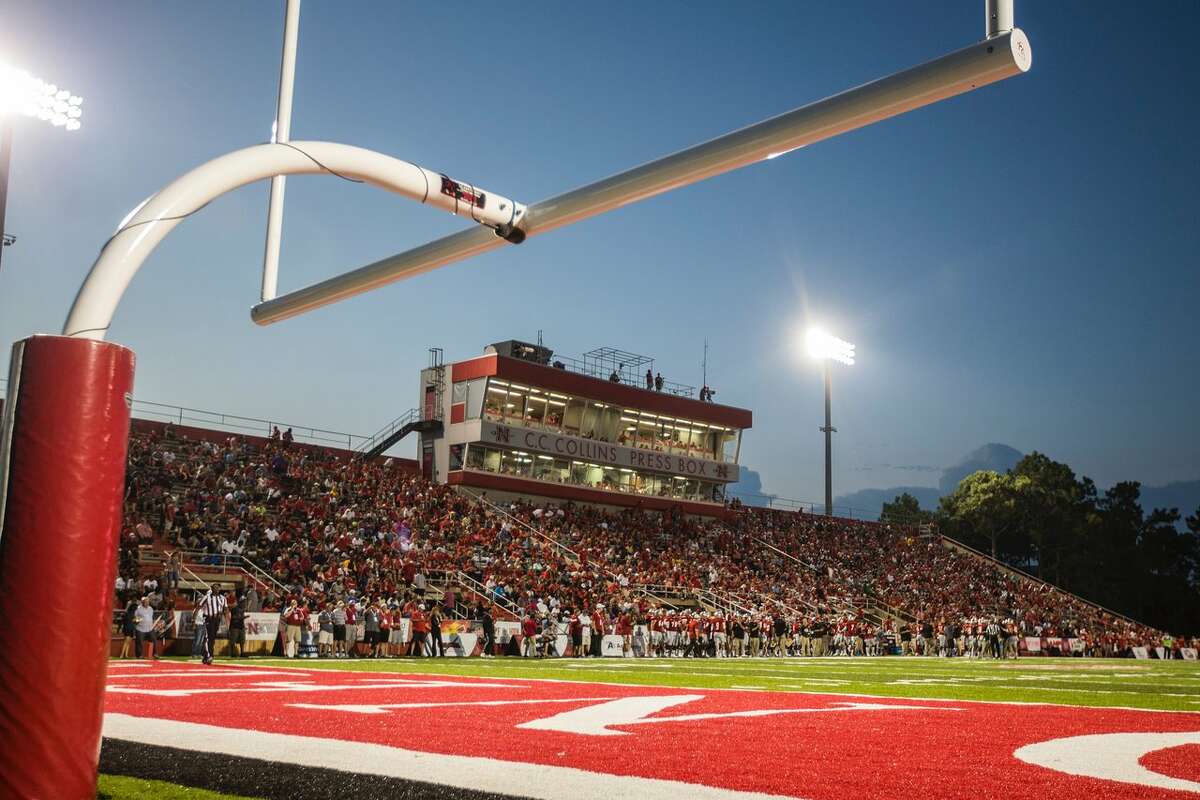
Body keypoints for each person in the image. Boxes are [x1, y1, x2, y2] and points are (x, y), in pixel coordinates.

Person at [197, 584, 229, 665]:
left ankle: (206, 656)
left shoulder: (222, 598)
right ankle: (209, 655)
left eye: (218, 588)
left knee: (212, 638)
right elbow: (198, 606)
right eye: (215, 587)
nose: (217, 589)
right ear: (211, 588)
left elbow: (225, 609)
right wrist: (193, 619)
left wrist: (226, 620)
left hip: (217, 620)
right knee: (208, 638)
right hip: (208, 619)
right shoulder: (207, 597)